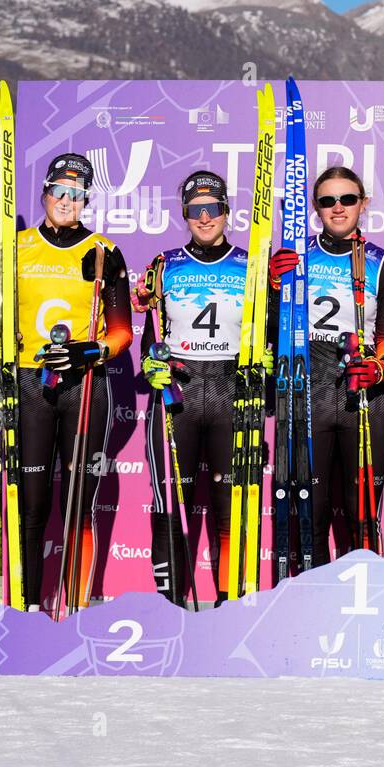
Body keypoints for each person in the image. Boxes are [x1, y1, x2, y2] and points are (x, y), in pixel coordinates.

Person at [268, 165, 384, 563]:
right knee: (312, 510)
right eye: (327, 201)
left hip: (362, 392)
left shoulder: (382, 263)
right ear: (316, 207)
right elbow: (273, 330)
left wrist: (380, 367)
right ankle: (311, 606)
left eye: (347, 199)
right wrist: (275, 289)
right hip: (308, 387)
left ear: (363, 204)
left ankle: (363, 601)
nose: (338, 208)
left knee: (362, 512)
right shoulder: (296, 257)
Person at [19, 153, 132, 609]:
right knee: (31, 504)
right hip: (30, 382)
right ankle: (26, 605)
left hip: (84, 386)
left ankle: (77, 606)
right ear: (45, 194)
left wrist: (95, 349)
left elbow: (122, 331)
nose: (66, 201)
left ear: (86, 200)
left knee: (78, 504)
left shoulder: (104, 251)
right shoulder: (18, 247)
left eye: (76, 194)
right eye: (59, 192)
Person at [135, 170, 247, 607]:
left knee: (227, 504)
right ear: (185, 214)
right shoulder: (165, 264)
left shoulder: (248, 262)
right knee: (169, 504)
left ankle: (228, 604)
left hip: (228, 387)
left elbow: (268, 328)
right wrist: (150, 363)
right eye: (196, 210)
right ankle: (170, 604)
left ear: (226, 212)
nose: (205, 218)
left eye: (213, 208)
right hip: (177, 391)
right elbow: (152, 333)